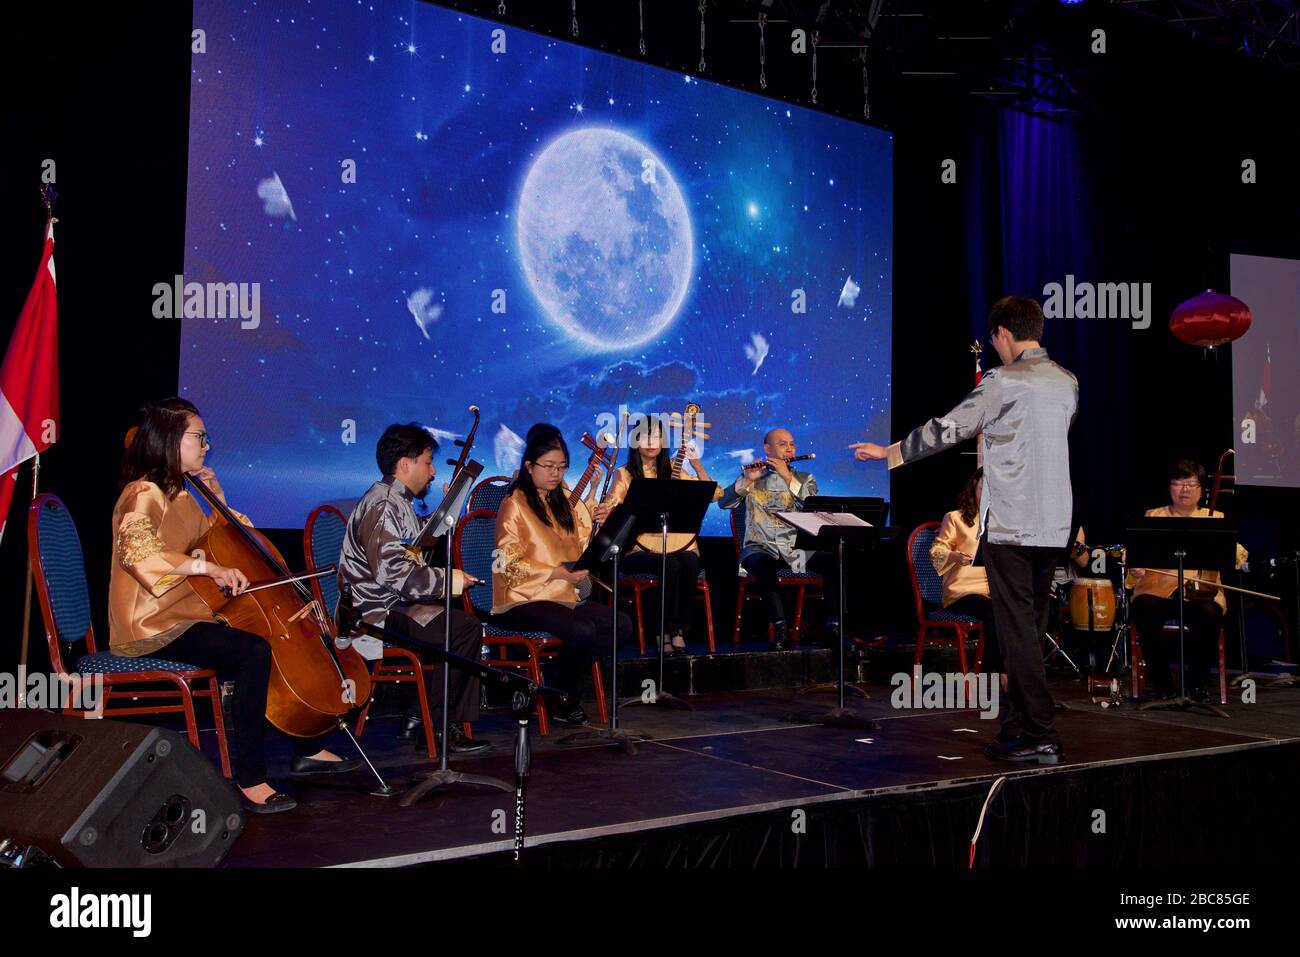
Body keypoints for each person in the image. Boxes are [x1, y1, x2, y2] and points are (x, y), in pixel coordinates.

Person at [853, 296, 1078, 765]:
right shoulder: (1067, 382)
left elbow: (948, 428)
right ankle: (1018, 728)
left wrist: (891, 453)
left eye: (994, 340)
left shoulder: (1001, 381)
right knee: (1030, 630)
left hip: (1014, 525)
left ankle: (1040, 731)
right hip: (1054, 525)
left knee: (1016, 634)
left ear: (1001, 334)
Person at [109, 398, 357, 814]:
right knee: (252, 651)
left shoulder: (185, 497)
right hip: (150, 625)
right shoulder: (142, 493)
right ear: (170, 439)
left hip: (187, 616)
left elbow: (231, 543)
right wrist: (209, 568)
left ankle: (307, 743)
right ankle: (251, 778)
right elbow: (139, 555)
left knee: (263, 642)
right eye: (198, 437)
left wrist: (220, 504)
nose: (206, 445)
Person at [336, 423, 490, 754]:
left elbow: (416, 544)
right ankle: (436, 727)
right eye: (428, 461)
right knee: (462, 628)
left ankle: (422, 717)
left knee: (459, 625)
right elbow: (396, 575)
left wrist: (448, 514)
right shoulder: (384, 506)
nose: (433, 471)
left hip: (394, 606)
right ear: (405, 464)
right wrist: (452, 581)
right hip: (375, 613)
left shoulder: (395, 500)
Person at [492, 424, 633, 723]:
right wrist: (556, 573)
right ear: (529, 466)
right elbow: (507, 565)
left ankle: (554, 682)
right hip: (523, 597)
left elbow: (582, 549)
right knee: (581, 630)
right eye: (549, 466)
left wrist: (604, 526)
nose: (556, 473)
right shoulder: (513, 505)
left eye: (561, 467)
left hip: (561, 595)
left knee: (620, 624)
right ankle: (564, 695)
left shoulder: (562, 505)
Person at [592, 415, 721, 654]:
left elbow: (715, 494)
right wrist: (604, 512)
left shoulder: (674, 469)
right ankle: (662, 630)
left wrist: (697, 465)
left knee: (691, 559)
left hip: (675, 545)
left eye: (657, 436)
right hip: (637, 550)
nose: (652, 441)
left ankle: (678, 629)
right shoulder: (625, 474)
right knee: (669, 563)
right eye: (644, 436)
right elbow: (611, 509)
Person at [1128, 460, 1248, 701]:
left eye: (1191, 483)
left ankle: (1198, 684)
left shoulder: (1214, 517)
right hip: (1158, 590)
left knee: (1209, 613)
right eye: (1178, 483)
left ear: (1201, 490)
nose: (1184, 489)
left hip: (1198, 593)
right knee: (1144, 608)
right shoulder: (1154, 516)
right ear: (1170, 487)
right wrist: (1136, 567)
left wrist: (1230, 554)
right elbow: (1134, 552)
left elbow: (1237, 553)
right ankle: (1162, 684)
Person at [717, 428, 839, 650]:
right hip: (758, 550)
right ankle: (780, 627)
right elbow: (723, 502)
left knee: (831, 561)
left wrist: (787, 476)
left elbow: (811, 507)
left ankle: (834, 626)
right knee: (766, 565)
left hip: (793, 554)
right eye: (783, 444)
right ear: (767, 449)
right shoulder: (752, 476)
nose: (789, 448)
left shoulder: (805, 479)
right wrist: (746, 481)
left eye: (792, 444)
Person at [930, 468, 1001, 679]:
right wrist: (955, 557)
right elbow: (936, 552)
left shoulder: (1000, 521)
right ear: (974, 487)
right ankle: (1000, 673)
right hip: (962, 590)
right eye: (983, 488)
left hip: (993, 588)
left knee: (1019, 608)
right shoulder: (955, 518)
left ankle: (1020, 672)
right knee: (993, 611)